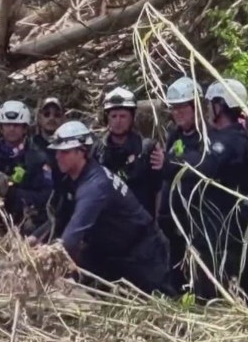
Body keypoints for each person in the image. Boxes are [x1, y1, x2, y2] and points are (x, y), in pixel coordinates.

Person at [41, 120, 176, 297]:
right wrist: (34, 239)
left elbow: (71, 238)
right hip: (111, 251)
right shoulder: (75, 179)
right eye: (57, 151)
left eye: (64, 152)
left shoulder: (94, 186)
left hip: (142, 253)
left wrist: (40, 259)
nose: (58, 157)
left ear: (81, 152)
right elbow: (59, 217)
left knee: (159, 305)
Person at [149, 76, 248, 300]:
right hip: (175, 226)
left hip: (207, 227)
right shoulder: (174, 135)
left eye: (183, 107)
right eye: (174, 108)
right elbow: (165, 179)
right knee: (178, 285)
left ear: (197, 106)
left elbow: (204, 166)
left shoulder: (213, 139)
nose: (177, 113)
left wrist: (170, 163)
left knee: (206, 288)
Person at [203, 78, 248, 305]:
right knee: (246, 283)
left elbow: (205, 167)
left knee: (228, 287)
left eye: (211, 103)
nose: (208, 109)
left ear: (220, 105)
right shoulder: (243, 137)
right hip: (239, 228)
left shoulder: (230, 142)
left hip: (231, 230)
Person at [0, 100, 54, 234]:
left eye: (16, 125)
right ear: (0, 127)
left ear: (25, 128)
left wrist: (11, 192)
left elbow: (47, 197)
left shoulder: (37, 159)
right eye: (7, 124)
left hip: (24, 226)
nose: (11, 129)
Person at [92, 86, 160, 219]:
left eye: (123, 116)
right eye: (114, 116)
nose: (118, 121)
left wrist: (158, 223)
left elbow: (158, 190)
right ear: (107, 119)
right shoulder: (98, 150)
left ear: (132, 118)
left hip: (142, 226)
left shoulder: (146, 148)